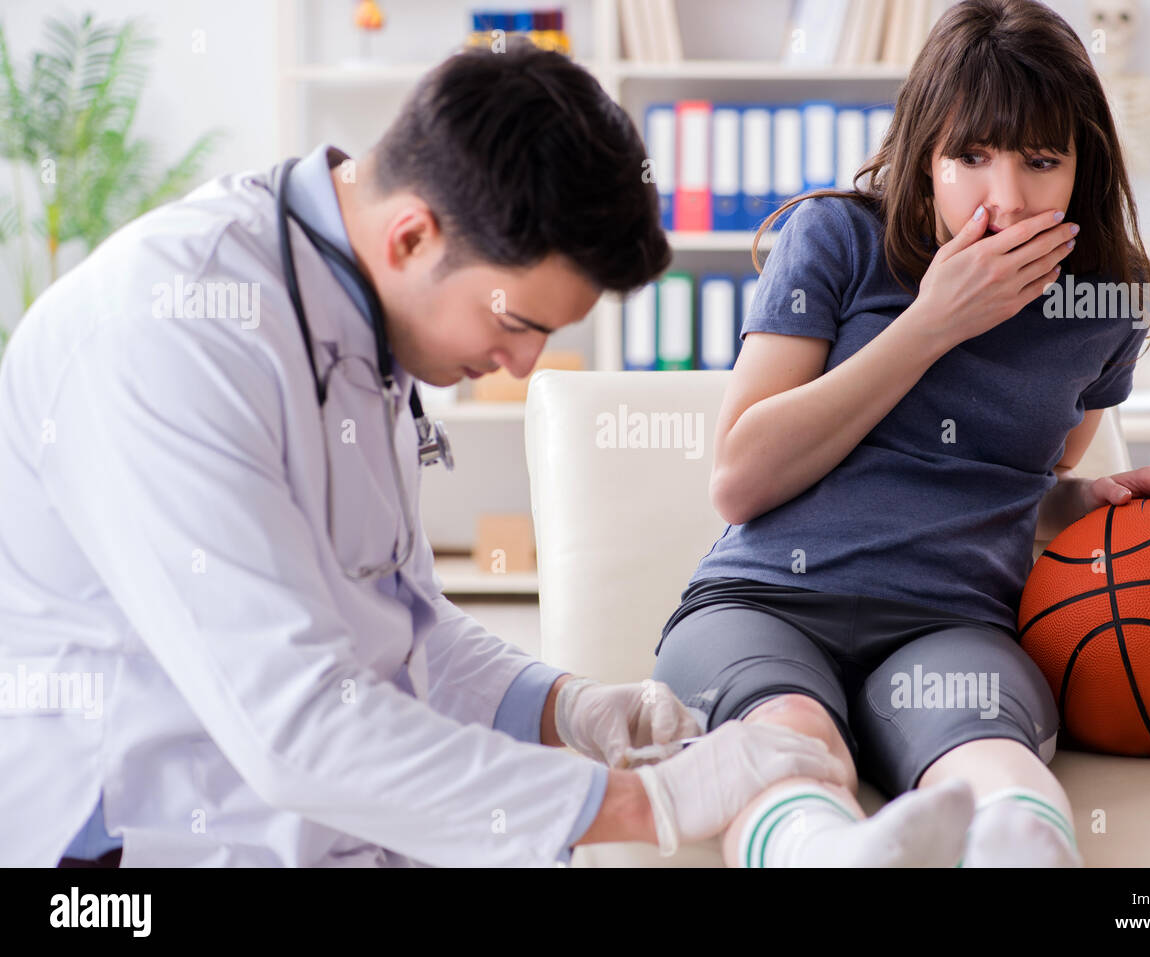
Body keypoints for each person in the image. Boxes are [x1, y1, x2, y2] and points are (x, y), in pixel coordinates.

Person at [0, 38, 848, 867]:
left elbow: (403, 627)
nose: (526, 364)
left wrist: (568, 705)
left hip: (312, 820)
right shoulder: (173, 333)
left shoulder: (357, 313)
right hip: (127, 849)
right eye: (519, 324)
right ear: (412, 236)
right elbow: (295, 726)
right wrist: (642, 804)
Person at [651, 0, 1150, 868]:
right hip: (764, 602)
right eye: (971, 156)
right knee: (787, 738)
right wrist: (933, 323)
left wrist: (1090, 501)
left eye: (1042, 160)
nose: (1005, 199)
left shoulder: (1106, 303)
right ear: (925, 157)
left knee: (987, 756)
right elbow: (740, 479)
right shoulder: (837, 239)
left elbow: (1018, 483)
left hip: (951, 620)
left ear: (1086, 164)